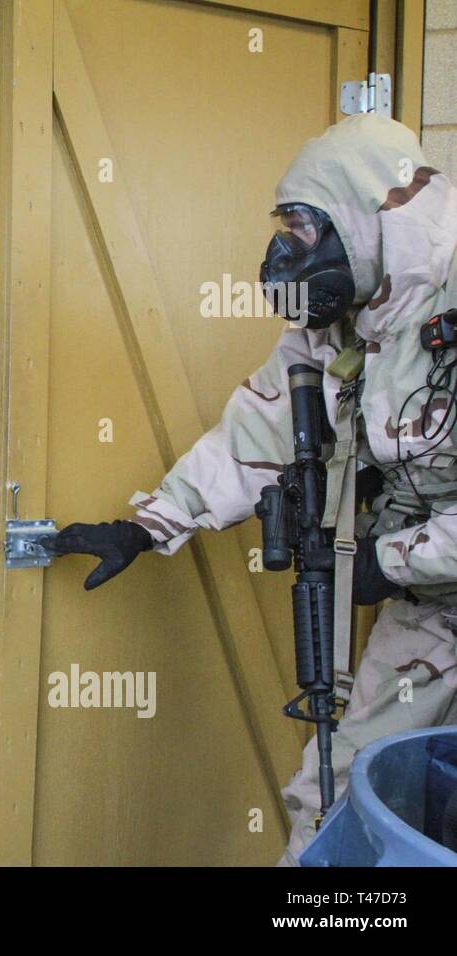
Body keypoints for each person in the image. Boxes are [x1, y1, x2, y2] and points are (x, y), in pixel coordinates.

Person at [45, 115, 457, 864]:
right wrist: (148, 525)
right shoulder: (345, 323)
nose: (286, 251)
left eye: (304, 227)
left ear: (372, 215)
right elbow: (257, 434)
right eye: (287, 226)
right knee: (343, 793)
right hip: (436, 608)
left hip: (417, 571)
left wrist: (386, 562)